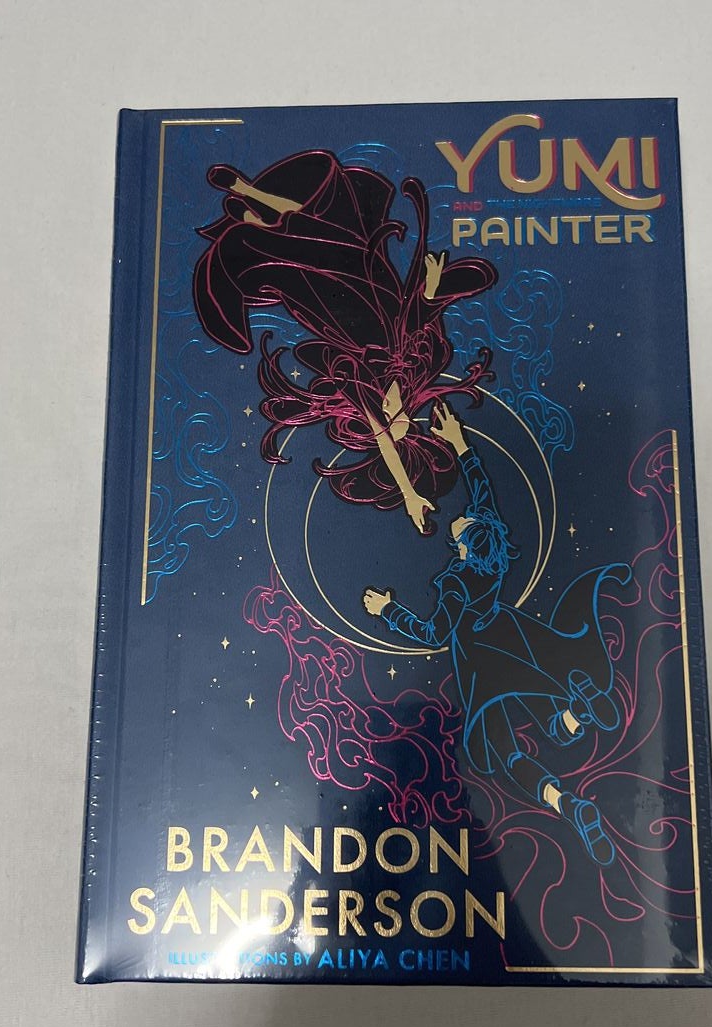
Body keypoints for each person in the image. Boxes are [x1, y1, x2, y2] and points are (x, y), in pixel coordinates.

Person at [363, 402, 630, 866]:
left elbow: (433, 633)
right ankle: (576, 718)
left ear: (465, 546)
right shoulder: (491, 556)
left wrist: (388, 610)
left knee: (504, 752)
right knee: (546, 710)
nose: (462, 517)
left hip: (481, 665)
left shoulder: (456, 584)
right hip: (509, 637)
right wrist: (460, 443)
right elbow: (483, 492)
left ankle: (567, 799)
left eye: (463, 525)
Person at [192, 151, 498, 535]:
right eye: (402, 424)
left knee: (302, 249)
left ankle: (255, 218)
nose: (391, 418)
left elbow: (385, 443)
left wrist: (409, 495)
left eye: (388, 427)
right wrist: (431, 289)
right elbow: (418, 321)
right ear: (413, 428)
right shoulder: (420, 368)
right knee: (329, 231)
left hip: (334, 309)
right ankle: (250, 195)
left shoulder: (362, 385)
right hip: (376, 287)